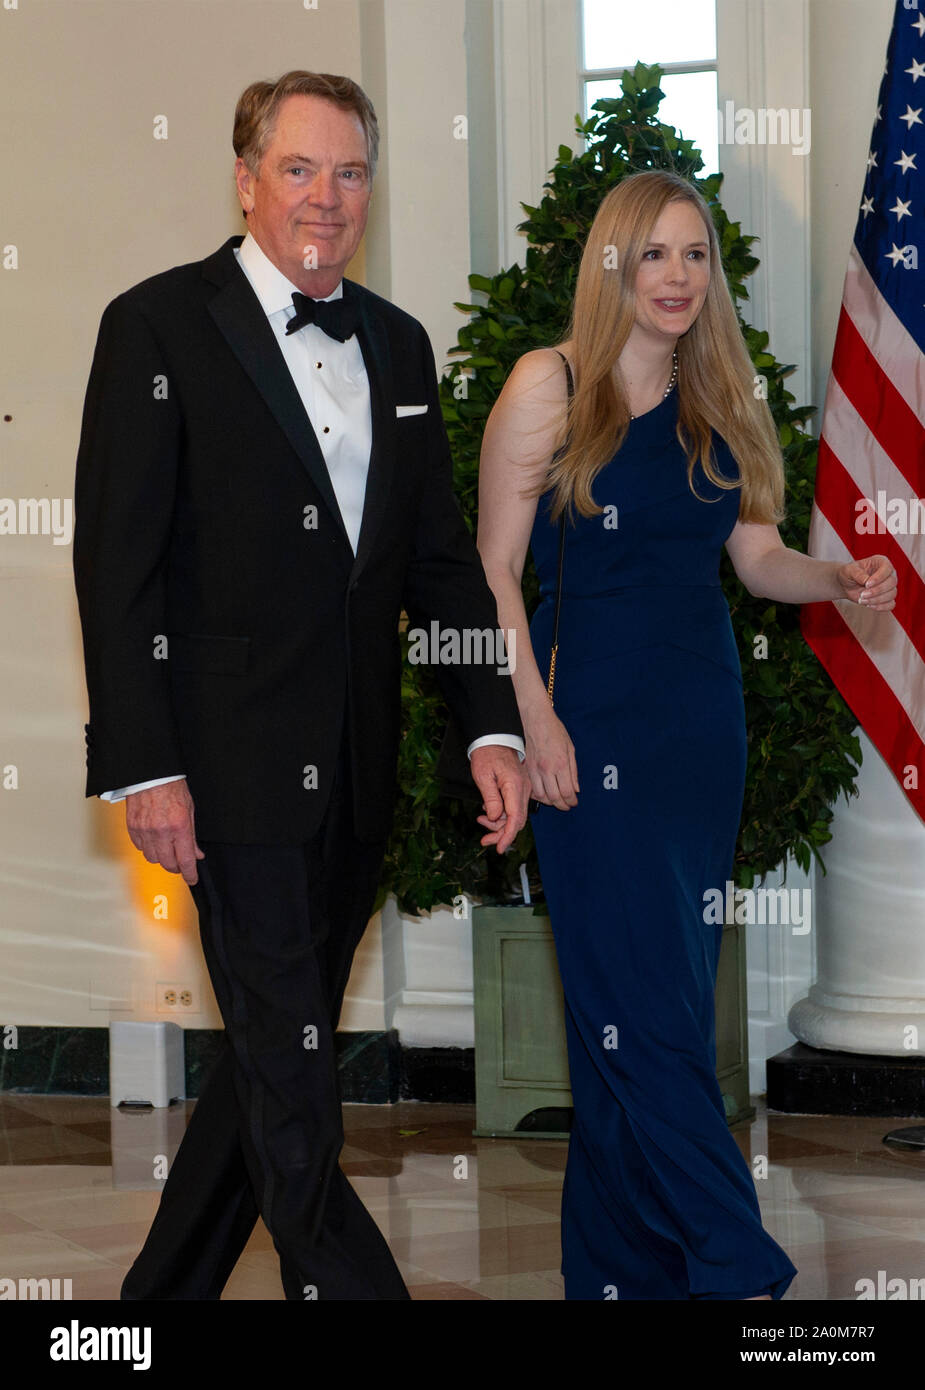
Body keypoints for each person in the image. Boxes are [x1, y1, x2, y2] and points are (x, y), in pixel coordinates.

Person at [73, 69, 531, 1301]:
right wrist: (146, 766)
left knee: (275, 1060)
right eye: (298, 168)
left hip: (355, 776)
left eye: (350, 171)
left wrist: (488, 727)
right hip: (225, 778)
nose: (327, 196)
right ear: (244, 179)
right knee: (294, 1085)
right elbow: (115, 570)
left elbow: (440, 566)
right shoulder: (157, 328)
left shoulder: (399, 343)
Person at [476, 168, 897, 1301]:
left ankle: (621, 1276)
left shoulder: (719, 392)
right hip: (585, 727)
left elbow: (754, 560)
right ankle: (737, 1265)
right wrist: (532, 722)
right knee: (643, 1013)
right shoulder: (549, 384)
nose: (677, 276)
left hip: (697, 731)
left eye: (695, 254)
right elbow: (494, 572)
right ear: (612, 263)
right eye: (654, 254)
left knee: (640, 1011)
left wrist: (836, 577)